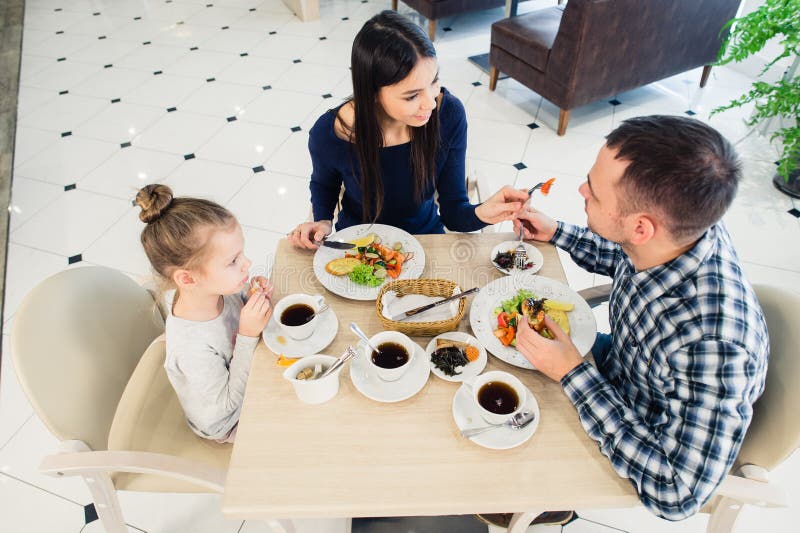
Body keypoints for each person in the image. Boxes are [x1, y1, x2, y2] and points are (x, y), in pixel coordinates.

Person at [513, 115, 769, 521]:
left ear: (641, 227)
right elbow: (626, 253)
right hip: (614, 366)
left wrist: (573, 374)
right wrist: (559, 232)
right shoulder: (681, 233)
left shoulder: (714, 346)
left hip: (635, 427)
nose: (581, 190)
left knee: (501, 454)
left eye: (593, 194)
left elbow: (677, 492)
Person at [289, 10, 528, 248]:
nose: (431, 103)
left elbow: (453, 212)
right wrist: (322, 220)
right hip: (357, 245)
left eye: (434, 81)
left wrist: (484, 212)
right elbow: (324, 184)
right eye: (412, 95)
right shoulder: (330, 134)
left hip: (425, 240)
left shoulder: (448, 114)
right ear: (372, 94)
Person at [135, 184, 274, 443]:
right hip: (230, 421)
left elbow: (236, 303)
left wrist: (251, 294)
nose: (246, 263)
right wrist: (247, 334)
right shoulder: (191, 348)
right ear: (187, 278)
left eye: (241, 254)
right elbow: (227, 405)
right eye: (233, 261)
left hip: (248, 376)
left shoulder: (212, 289)